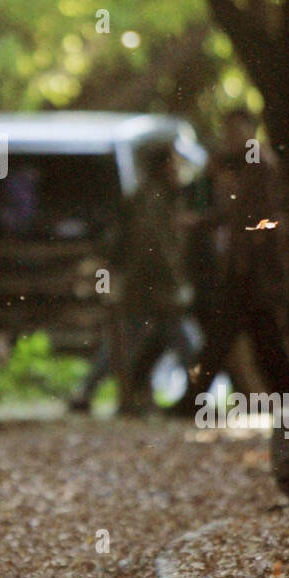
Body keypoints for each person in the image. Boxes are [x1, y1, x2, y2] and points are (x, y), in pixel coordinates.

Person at [180, 108, 289, 403]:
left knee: (257, 340)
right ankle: (195, 398)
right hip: (244, 269)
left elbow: (256, 215)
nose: (229, 137)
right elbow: (235, 213)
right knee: (240, 339)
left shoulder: (260, 165)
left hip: (253, 271)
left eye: (235, 130)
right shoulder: (245, 166)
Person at [69, 144, 194, 414]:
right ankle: (194, 398)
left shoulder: (156, 198)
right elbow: (154, 250)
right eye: (173, 163)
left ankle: (96, 393)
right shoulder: (151, 201)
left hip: (150, 287)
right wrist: (175, 283)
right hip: (153, 288)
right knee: (175, 343)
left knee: (132, 343)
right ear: (163, 167)